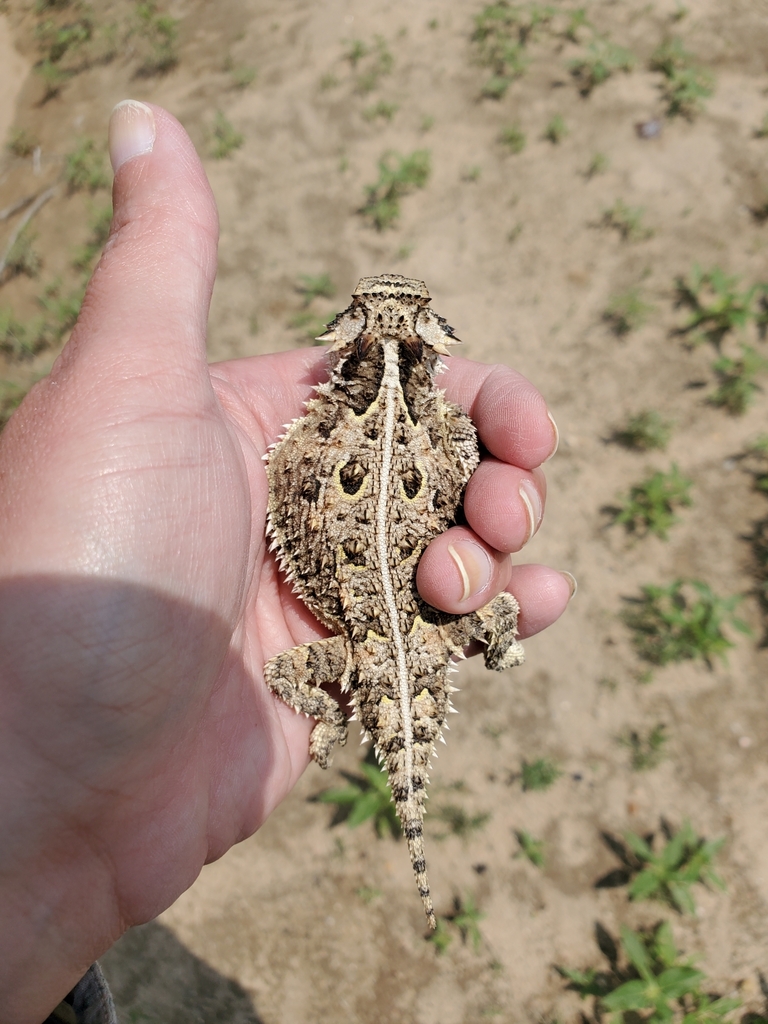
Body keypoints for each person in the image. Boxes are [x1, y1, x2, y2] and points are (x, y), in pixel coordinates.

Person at [0, 102, 574, 1024]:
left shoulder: (326, 424)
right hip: (415, 630)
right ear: (435, 342)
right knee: (476, 584)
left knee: (441, 580)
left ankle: (389, 688)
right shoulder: (447, 436)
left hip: (366, 634)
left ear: (348, 332)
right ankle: (492, 635)